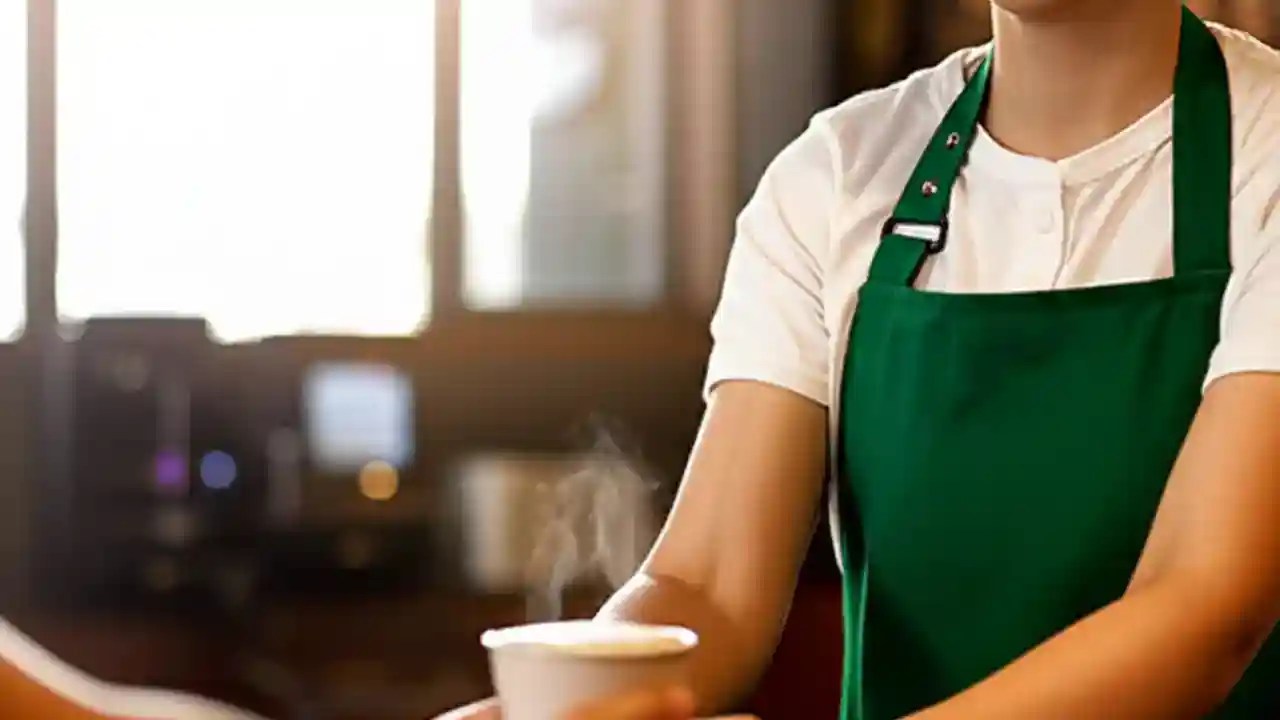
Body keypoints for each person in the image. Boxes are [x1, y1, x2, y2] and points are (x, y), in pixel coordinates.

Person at [444, 0, 1280, 717]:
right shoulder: (836, 176)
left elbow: (1205, 606)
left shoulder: (1265, 152)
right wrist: (593, 698)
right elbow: (707, 583)